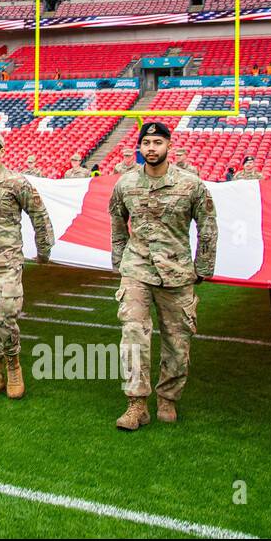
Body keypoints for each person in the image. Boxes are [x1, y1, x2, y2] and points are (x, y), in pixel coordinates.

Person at [109, 122, 217, 430]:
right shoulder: (126, 183)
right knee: (132, 333)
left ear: (169, 146)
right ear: (140, 148)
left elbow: (207, 225)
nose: (152, 148)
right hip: (137, 268)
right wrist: (120, 261)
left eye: (157, 142)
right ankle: (136, 403)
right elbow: (117, 223)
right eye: (146, 143)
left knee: (177, 340)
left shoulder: (191, 184)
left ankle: (168, 396)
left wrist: (204, 266)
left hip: (177, 270)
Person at [0, 129, 54, 398]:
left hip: (6, 263)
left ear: (1, 151)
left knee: (2, 318)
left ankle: (13, 366)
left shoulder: (17, 182)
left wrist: (44, 251)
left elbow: (39, 214)